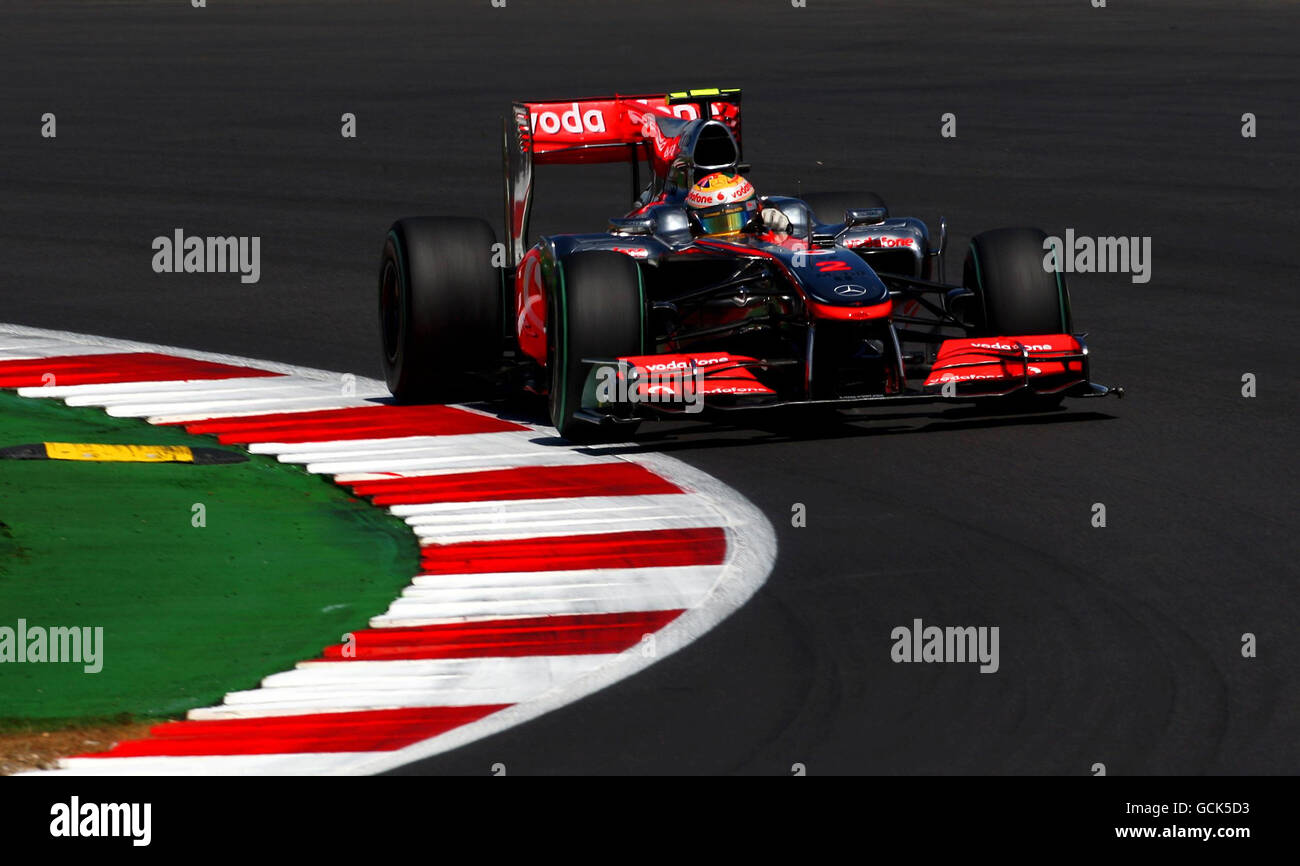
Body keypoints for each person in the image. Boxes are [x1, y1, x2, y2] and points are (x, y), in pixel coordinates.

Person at [685, 171, 792, 239]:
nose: (729, 238)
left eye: (737, 220)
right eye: (717, 224)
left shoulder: (765, 235)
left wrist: (781, 229)